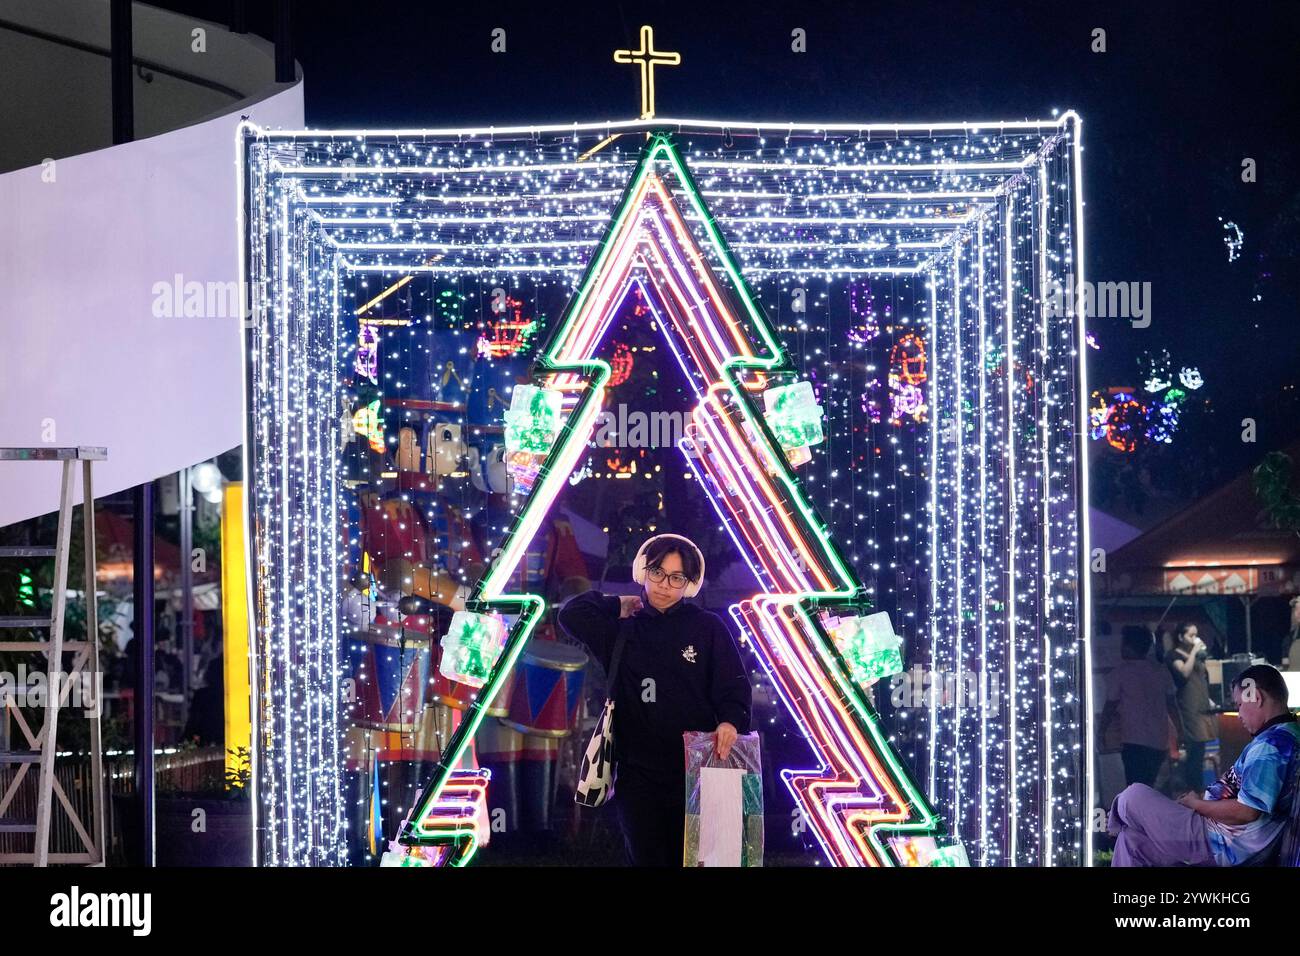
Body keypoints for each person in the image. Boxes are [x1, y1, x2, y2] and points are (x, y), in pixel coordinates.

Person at [557, 533, 752, 867]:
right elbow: (571, 614)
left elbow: (733, 685)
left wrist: (730, 721)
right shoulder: (622, 630)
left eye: (677, 577)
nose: (664, 584)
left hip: (698, 769)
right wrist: (616, 604)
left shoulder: (707, 627)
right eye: (657, 573)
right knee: (647, 858)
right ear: (642, 571)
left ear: (691, 583)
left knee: (700, 859)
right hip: (638, 773)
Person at [1107, 664, 1300, 866]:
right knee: (1131, 841)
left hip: (1218, 841)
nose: (1240, 714)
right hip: (1221, 836)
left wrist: (1197, 805)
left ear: (1256, 697)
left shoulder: (1271, 747)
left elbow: (1247, 811)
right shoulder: (1287, 736)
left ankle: (1111, 827)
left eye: (1240, 705)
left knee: (1133, 796)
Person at [1099, 626, 1183, 788]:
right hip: (1159, 740)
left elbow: (1110, 705)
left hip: (1134, 739)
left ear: (1129, 646)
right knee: (1150, 784)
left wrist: (1102, 731)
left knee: (1135, 787)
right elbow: (1172, 704)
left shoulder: (1121, 672)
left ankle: (1137, 813)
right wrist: (1180, 730)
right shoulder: (1160, 670)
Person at [1167, 623, 1218, 793]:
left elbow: (1202, 678)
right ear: (1181, 637)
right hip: (1188, 705)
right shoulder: (1173, 654)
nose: (1194, 638)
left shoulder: (1196, 656)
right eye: (1191, 635)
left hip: (1202, 703)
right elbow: (1184, 673)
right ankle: (1192, 787)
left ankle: (1198, 786)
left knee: (1201, 746)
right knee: (1194, 745)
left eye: (1196, 635)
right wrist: (1195, 651)